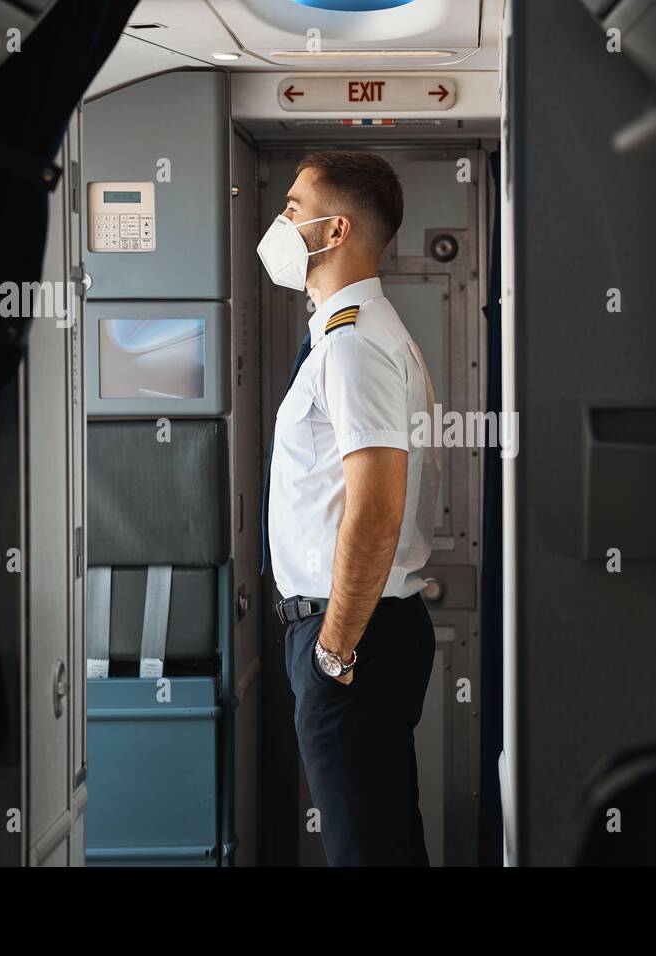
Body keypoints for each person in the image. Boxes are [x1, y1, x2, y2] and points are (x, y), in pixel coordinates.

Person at [256, 150, 441, 866]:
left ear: (334, 232)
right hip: (361, 631)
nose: (281, 222)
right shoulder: (352, 334)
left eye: (294, 209)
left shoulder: (354, 344)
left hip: (350, 635)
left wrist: (333, 649)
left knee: (363, 849)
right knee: (381, 839)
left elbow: (374, 507)